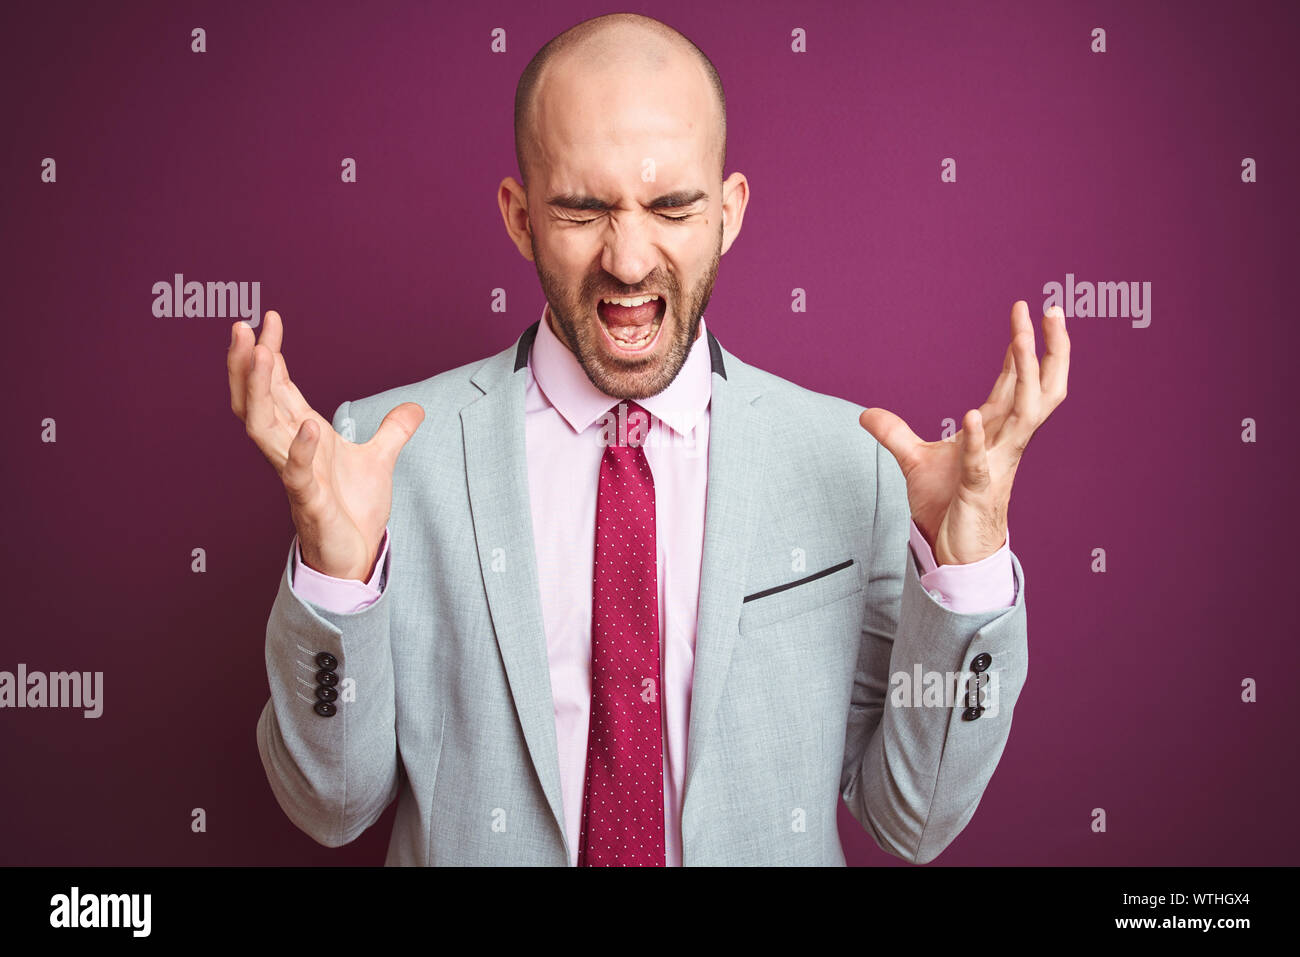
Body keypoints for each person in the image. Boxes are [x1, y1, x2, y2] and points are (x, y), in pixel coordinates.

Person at [227, 12, 1069, 866]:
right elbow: (331, 807)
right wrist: (335, 581)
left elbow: (914, 820)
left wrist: (966, 574)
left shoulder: (858, 467)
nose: (629, 260)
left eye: (671, 206)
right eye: (583, 209)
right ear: (519, 217)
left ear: (729, 213)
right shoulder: (381, 455)